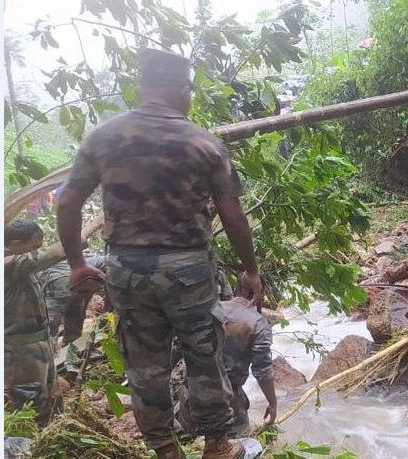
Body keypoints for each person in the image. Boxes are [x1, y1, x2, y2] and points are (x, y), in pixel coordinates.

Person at [57, 48, 264, 459]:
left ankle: (166, 450)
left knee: (145, 361)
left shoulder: (103, 138)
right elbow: (232, 214)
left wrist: (78, 263)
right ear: (182, 89)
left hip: (127, 269)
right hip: (188, 267)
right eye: (188, 89)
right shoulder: (204, 143)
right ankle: (216, 444)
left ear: (142, 88)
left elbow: (68, 203)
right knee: (204, 352)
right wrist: (251, 269)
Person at [177, 297, 276, 438]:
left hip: (192, 390)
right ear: (258, 294)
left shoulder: (209, 308)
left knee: (188, 442)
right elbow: (263, 371)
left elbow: (176, 347)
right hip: (228, 399)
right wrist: (273, 403)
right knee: (237, 447)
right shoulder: (258, 323)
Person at [4, 220, 63, 424]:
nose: (35, 252)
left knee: (52, 401)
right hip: (20, 353)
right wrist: (91, 227)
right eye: (33, 247)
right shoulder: (8, 265)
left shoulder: (18, 266)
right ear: (16, 243)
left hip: (39, 345)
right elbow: (52, 254)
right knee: (29, 407)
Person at [39, 256, 107, 345]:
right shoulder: (111, 264)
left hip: (51, 278)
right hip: (67, 280)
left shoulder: (84, 259)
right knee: (74, 317)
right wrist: (84, 309)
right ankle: (71, 346)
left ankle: (55, 349)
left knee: (51, 322)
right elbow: (91, 292)